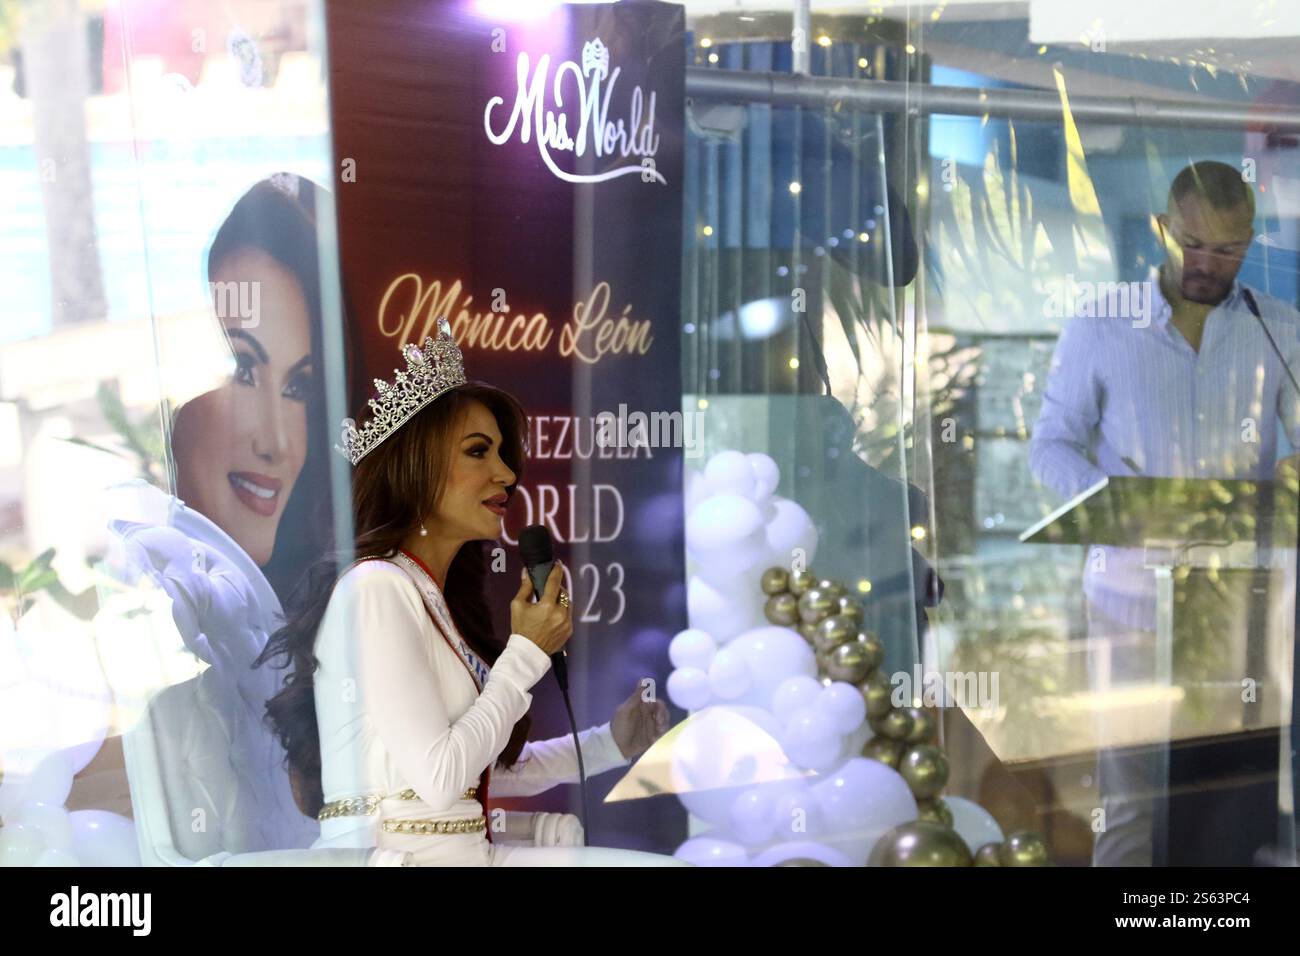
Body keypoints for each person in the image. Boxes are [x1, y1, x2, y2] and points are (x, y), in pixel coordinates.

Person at [258, 322, 683, 865]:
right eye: (478, 452)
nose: (506, 473)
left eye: (503, 454)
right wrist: (525, 654)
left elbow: (478, 765)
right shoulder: (376, 588)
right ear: (417, 467)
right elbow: (440, 778)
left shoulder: (425, 593)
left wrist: (610, 742)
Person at [1030, 160, 1300, 865]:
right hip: (1127, 596)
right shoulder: (1100, 324)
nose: (1209, 263)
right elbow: (1050, 447)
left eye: (1230, 248)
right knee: (1129, 795)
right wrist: (1118, 512)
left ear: (1251, 240)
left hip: (1239, 602)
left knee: (1232, 799)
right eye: (1194, 243)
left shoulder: (1280, 329)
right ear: (1161, 229)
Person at [99, 173, 333, 854]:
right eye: (240, 368)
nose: (275, 440)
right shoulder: (137, 595)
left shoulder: (331, 602)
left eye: (299, 387)